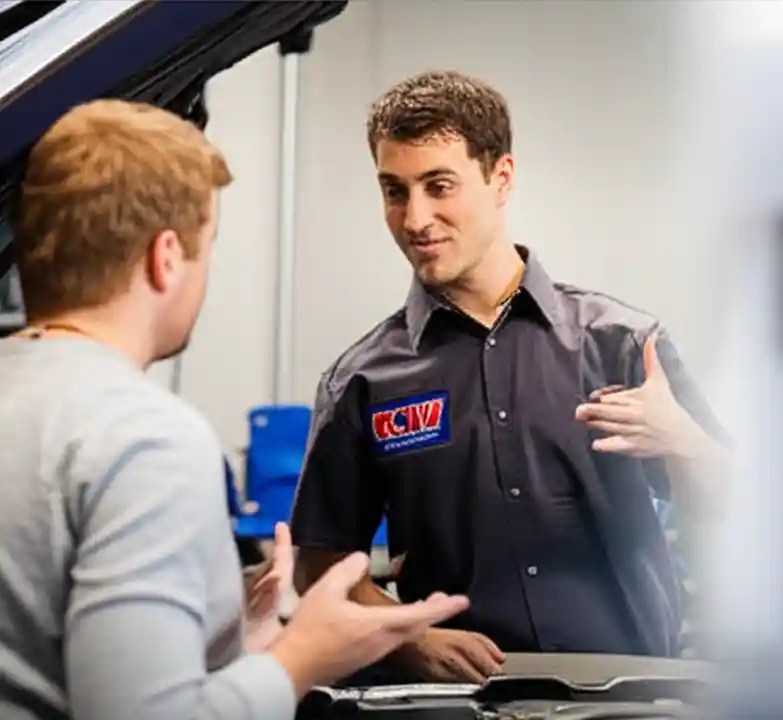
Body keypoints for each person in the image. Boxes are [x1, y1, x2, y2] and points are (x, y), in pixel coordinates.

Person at [0, 98, 469, 720]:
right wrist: (304, 654)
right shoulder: (145, 440)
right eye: (207, 246)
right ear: (166, 257)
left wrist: (217, 640)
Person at [290, 70, 730, 685]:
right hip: (460, 701)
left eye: (439, 186)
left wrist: (684, 444)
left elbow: (736, 515)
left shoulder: (621, 345)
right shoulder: (362, 380)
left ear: (501, 178)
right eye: (395, 191)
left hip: (628, 692)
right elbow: (320, 565)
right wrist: (407, 636)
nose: (416, 218)